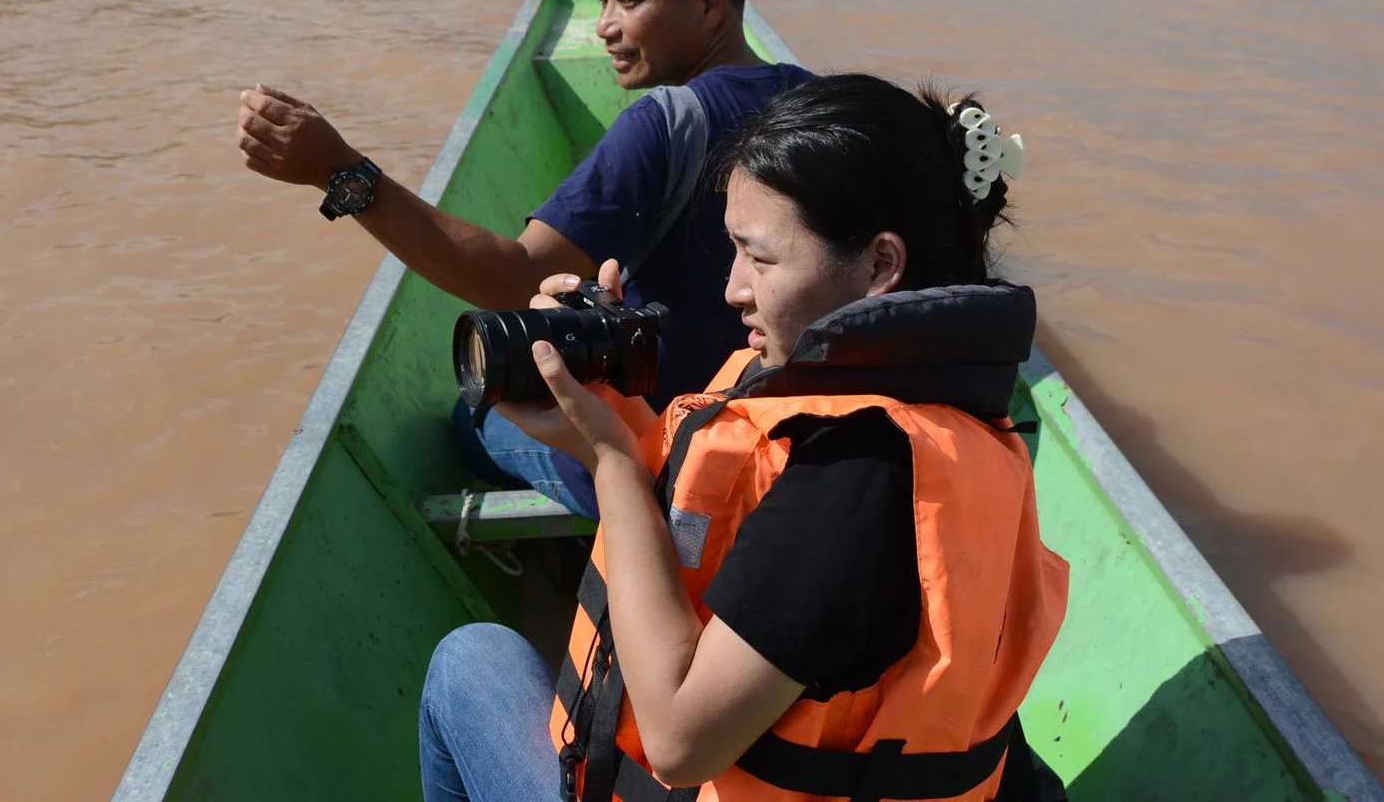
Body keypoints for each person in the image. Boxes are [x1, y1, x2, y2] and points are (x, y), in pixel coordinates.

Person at [417, 74, 1072, 802]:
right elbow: (717, 501)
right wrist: (603, 410)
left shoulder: (859, 474)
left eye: (759, 258)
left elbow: (677, 740)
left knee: (467, 662)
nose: (733, 288)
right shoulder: (941, 406)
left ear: (881, 264)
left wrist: (610, 465)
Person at [235, 0, 814, 516]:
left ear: (710, 3)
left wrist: (340, 171)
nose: (605, 28)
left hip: (673, 460)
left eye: (629, 0)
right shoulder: (828, 105)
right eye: (603, 2)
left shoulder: (663, 124)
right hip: (796, 435)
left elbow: (515, 280)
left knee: (474, 415)